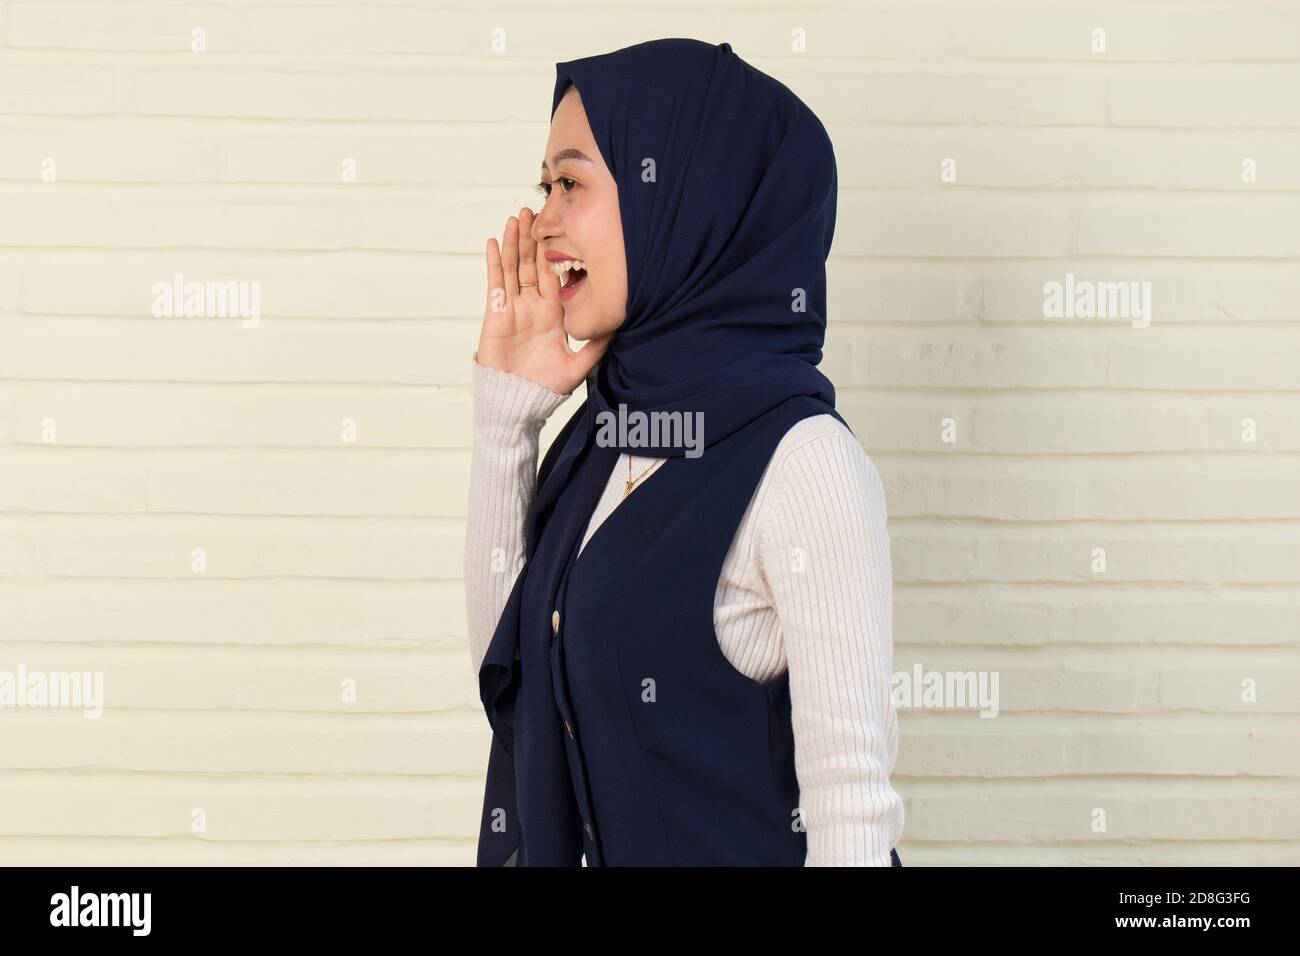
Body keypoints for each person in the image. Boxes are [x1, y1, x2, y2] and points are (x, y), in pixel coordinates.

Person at [465, 38, 904, 866]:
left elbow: (851, 812)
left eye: (571, 183)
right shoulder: (611, 434)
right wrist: (506, 422)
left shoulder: (802, 464)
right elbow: (514, 682)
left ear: (686, 199)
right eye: (543, 186)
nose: (543, 222)